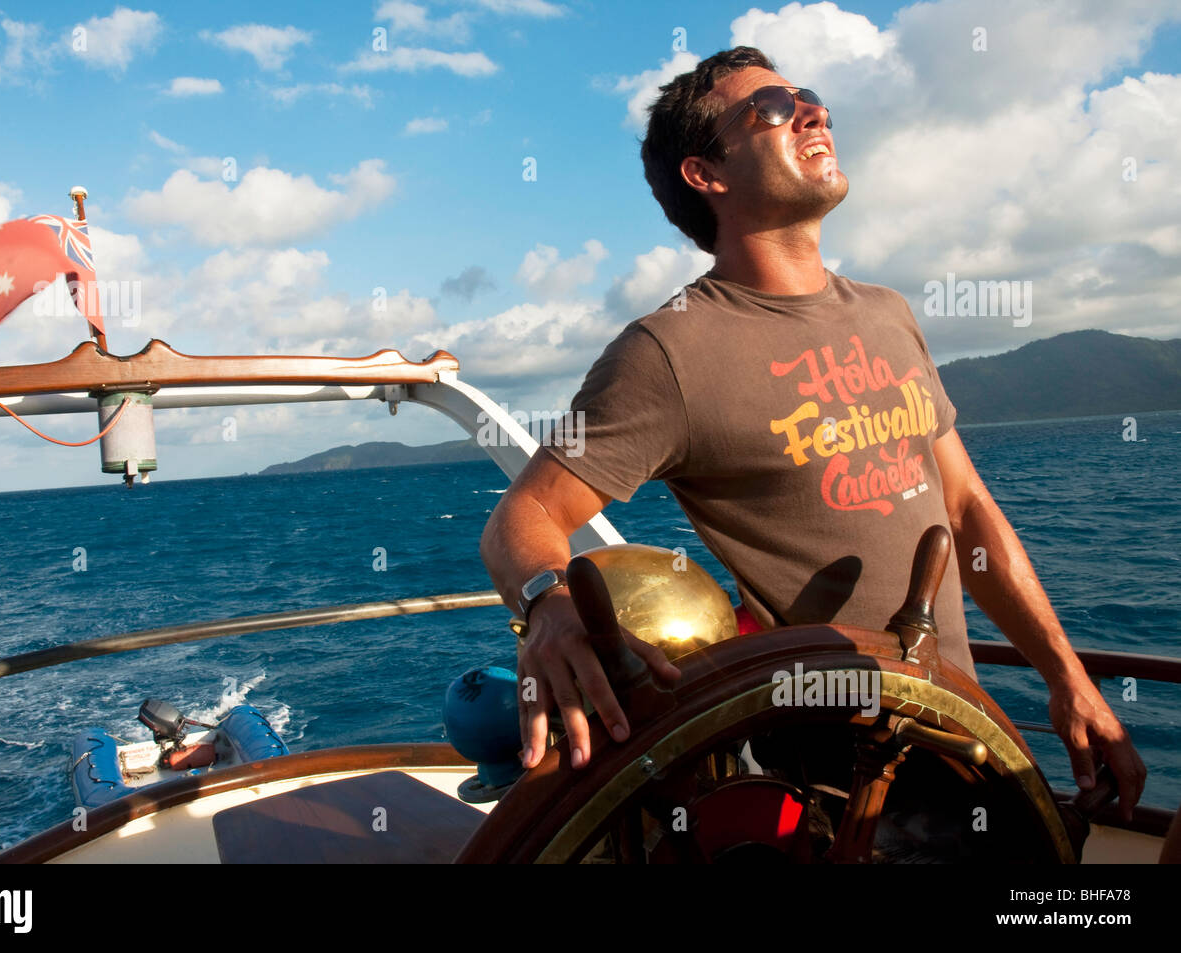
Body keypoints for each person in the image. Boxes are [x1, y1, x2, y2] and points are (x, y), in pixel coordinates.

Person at [479, 46, 1145, 819]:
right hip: (848, 786)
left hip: (971, 738)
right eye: (770, 108)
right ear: (707, 173)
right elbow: (519, 519)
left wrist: (1066, 676)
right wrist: (548, 604)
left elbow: (964, 511)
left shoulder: (888, 314)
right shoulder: (670, 352)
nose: (813, 112)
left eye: (811, 98)